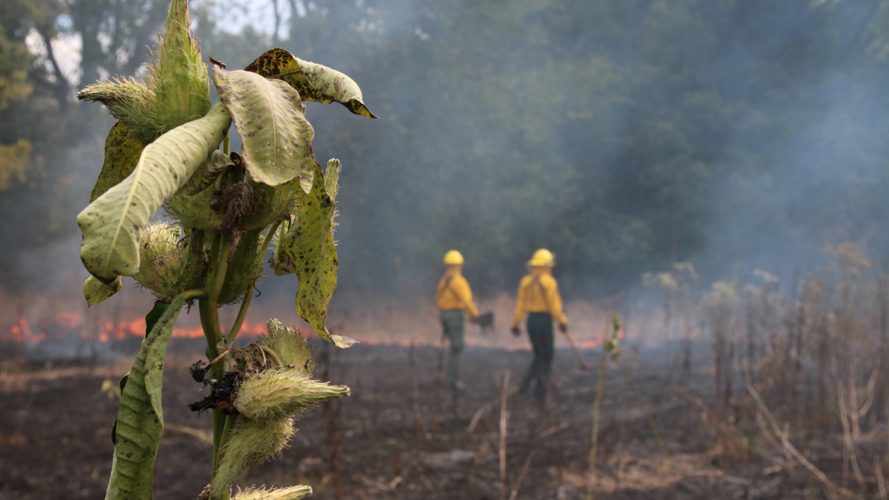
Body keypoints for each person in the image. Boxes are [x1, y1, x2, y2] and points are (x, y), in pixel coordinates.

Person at [511, 249, 568, 401]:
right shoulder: (549, 282)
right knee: (547, 355)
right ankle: (540, 389)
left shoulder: (525, 282)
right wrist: (562, 321)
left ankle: (527, 385)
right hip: (544, 321)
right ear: (547, 265)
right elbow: (554, 306)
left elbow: (520, 305)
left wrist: (515, 324)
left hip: (531, 321)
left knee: (538, 354)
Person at [436, 250, 479, 389]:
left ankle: (451, 378)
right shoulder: (459, 281)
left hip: (444, 315)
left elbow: (438, 300)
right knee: (457, 347)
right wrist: (474, 315)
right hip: (454, 315)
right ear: (460, 265)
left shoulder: (443, 281)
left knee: (455, 346)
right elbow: (467, 301)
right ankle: (451, 380)